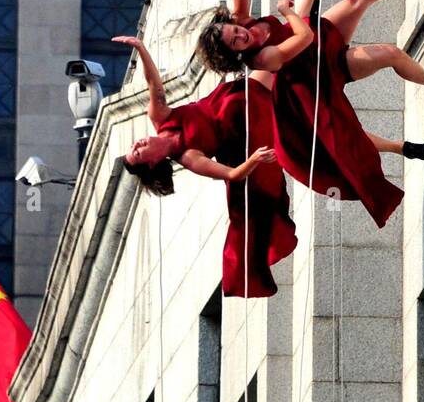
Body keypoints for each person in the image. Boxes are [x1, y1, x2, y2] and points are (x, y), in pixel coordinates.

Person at [195, 0, 424, 228]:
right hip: (317, 73)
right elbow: (303, 36)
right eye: (236, 42)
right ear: (235, 55)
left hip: (316, 43)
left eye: (233, 30)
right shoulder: (261, 58)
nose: (240, 35)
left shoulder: (241, 22)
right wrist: (297, 3)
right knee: (388, 56)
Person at [118, 33, 298, 299]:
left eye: (133, 147)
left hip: (232, 96)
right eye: (138, 153)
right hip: (242, 115)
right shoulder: (188, 156)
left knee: (287, 52)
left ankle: (309, 18)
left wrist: (141, 48)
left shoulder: (160, 117)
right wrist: (255, 159)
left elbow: (152, 82)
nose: (137, 145)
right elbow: (233, 174)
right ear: (153, 162)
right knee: (287, 58)